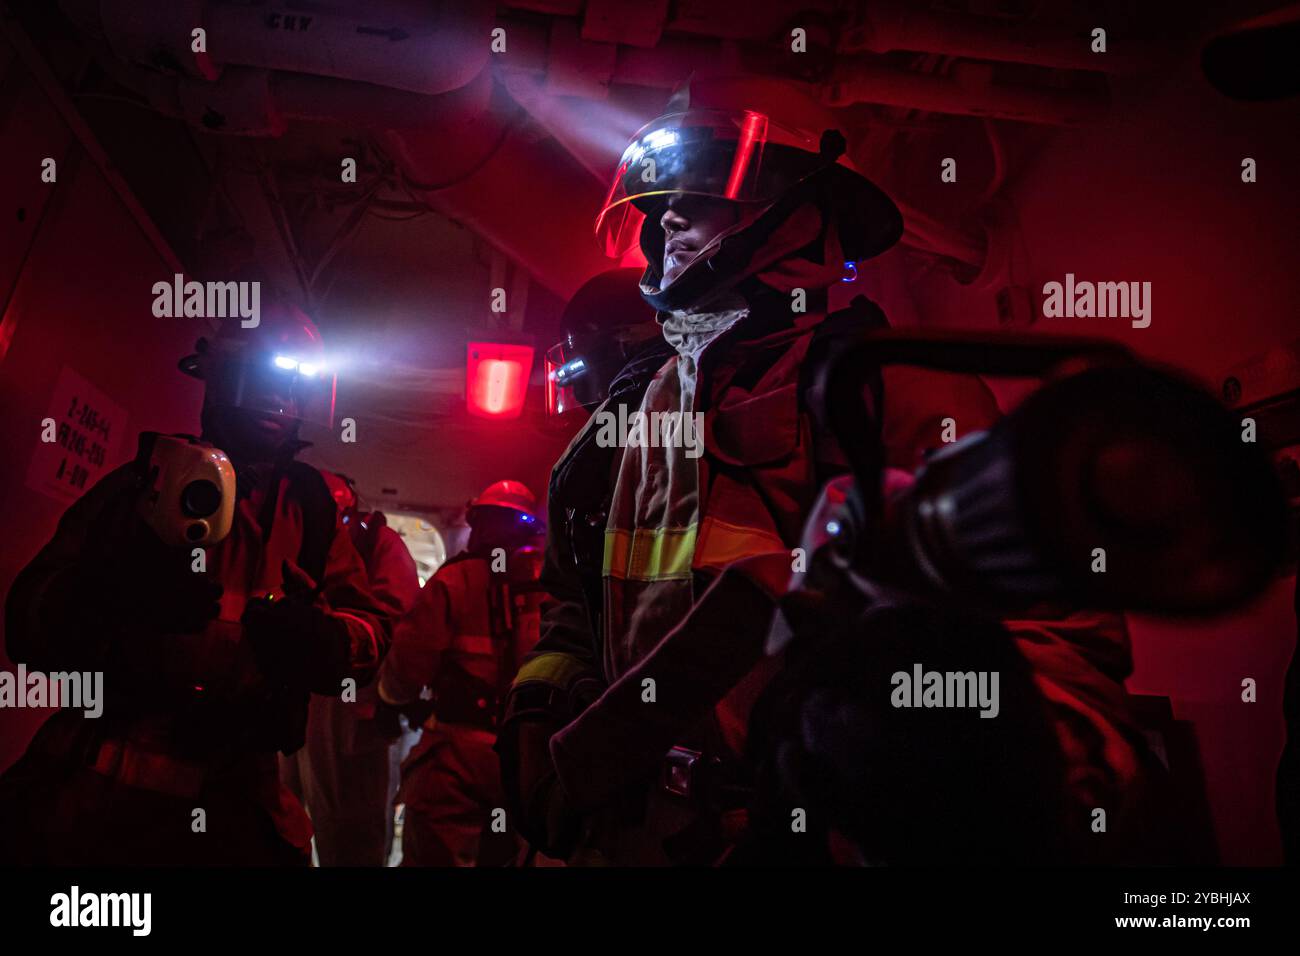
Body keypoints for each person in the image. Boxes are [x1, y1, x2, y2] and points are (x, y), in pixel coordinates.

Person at [497, 75, 1146, 865]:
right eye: (660, 198)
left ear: (802, 213)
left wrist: (964, 766)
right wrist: (538, 713)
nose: (667, 216)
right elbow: (575, 597)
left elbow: (1060, 650)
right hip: (638, 833)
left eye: (707, 190)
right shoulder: (633, 411)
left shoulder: (899, 396)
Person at [0, 304, 392, 866]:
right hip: (97, 805)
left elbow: (372, 631)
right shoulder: (143, 484)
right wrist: (111, 599)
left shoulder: (311, 508)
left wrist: (329, 642)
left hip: (241, 807)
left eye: (293, 383)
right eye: (265, 378)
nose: (279, 399)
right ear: (222, 381)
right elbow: (25, 621)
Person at [377, 480, 544, 866]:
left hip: (455, 752)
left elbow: (408, 663)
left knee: (436, 854)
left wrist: (390, 702)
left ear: (477, 521)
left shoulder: (453, 581)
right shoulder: (548, 589)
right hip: (523, 758)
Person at [280, 472, 420, 866]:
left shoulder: (383, 546)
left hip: (351, 701)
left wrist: (334, 633)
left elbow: (393, 622)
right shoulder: (301, 535)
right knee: (286, 806)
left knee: (350, 818)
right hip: (298, 688)